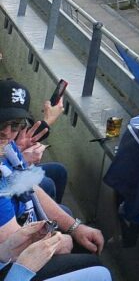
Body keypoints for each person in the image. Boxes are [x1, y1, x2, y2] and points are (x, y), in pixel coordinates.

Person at [0, 80, 107, 278]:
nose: (7, 132)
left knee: (58, 186)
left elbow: (28, 186)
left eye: (15, 125)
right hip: (11, 262)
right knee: (97, 269)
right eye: (0, 122)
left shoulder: (7, 146)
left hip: (18, 234)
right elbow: (14, 247)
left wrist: (75, 227)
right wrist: (61, 241)